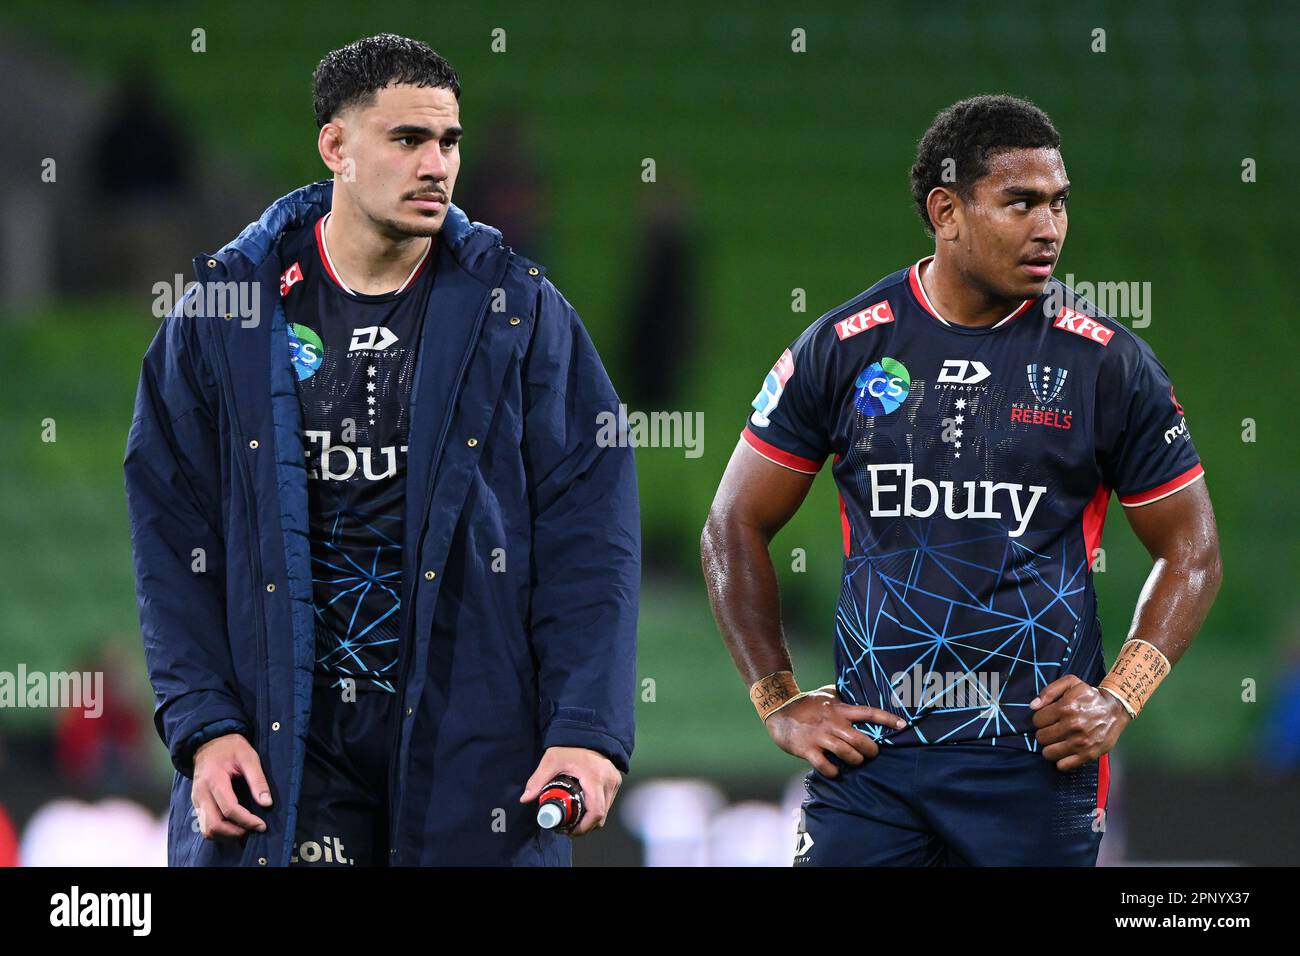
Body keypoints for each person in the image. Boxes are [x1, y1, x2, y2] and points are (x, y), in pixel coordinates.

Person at [124, 34, 639, 866]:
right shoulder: (226, 315)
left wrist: (587, 730)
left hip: (471, 752)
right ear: (336, 147)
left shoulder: (521, 314)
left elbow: (592, 531)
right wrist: (205, 726)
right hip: (282, 750)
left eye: (450, 142)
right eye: (407, 140)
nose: (436, 163)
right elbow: (171, 539)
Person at [700, 95, 1222, 866]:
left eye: (1058, 203)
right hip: (873, 761)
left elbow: (1193, 548)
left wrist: (1119, 696)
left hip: (1036, 763)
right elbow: (730, 526)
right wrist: (778, 700)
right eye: (1021, 203)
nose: (1050, 228)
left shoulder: (1106, 363)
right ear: (947, 210)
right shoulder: (844, 347)